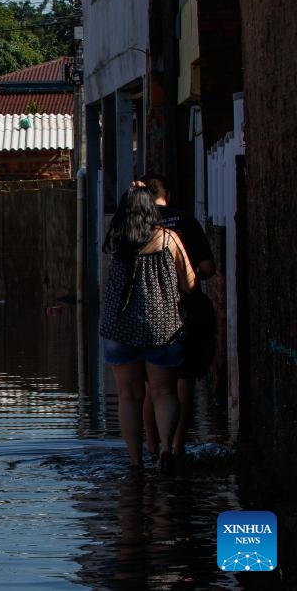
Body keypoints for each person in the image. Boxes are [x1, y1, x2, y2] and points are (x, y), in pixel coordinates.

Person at [100, 186, 196, 471]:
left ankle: (135, 460)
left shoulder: (117, 242)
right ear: (151, 210)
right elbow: (189, 283)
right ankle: (166, 447)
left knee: (128, 395)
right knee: (164, 392)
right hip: (162, 327)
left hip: (120, 328)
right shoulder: (168, 239)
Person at [140, 173, 217, 458]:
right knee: (184, 380)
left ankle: (151, 447)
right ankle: (176, 447)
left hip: (149, 311)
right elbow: (208, 268)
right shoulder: (184, 222)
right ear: (167, 195)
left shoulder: (138, 226)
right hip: (187, 308)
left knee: (154, 385)